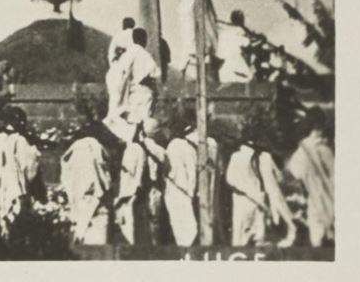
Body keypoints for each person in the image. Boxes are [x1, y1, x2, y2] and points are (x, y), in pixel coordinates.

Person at [225, 122, 294, 246]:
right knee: (259, 238)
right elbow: (279, 178)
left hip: (242, 201)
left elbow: (230, 179)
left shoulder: (237, 157)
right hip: (260, 201)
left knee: (240, 239)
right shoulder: (265, 157)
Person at [59, 106, 119, 246]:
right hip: (94, 206)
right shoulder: (91, 149)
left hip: (78, 205)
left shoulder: (76, 150)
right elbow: (103, 180)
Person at [161, 113, 218, 247]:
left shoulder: (176, 145)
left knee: (185, 237)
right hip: (206, 197)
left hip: (183, 194)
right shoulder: (212, 143)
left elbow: (174, 174)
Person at [286, 111, 335, 247]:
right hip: (331, 197)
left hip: (314, 197)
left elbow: (294, 173)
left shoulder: (302, 151)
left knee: (317, 239)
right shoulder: (326, 149)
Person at [106, 27, 161, 129]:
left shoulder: (127, 55)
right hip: (143, 93)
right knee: (144, 123)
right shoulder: (143, 54)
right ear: (144, 40)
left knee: (133, 122)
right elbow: (153, 73)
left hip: (133, 94)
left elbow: (121, 75)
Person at [0, 109, 42, 230]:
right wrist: (35, 152)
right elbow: (28, 168)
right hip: (16, 184)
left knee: (3, 214)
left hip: (1, 183)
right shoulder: (20, 140)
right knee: (16, 216)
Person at [173, 0, 219, 81]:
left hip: (187, 50)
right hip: (202, 49)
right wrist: (216, 48)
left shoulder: (184, 0)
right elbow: (210, 21)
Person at [217, 10, 257, 84]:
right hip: (235, 62)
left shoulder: (224, 32)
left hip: (224, 67)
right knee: (250, 77)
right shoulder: (240, 31)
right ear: (241, 21)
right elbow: (248, 45)